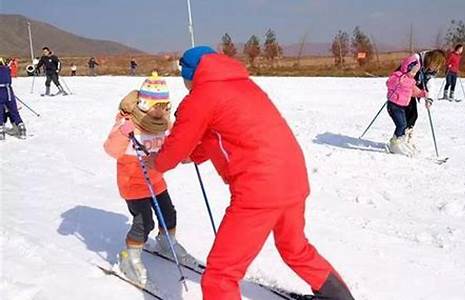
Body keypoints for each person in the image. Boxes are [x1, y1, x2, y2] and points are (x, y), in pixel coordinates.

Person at [146, 46, 355, 300]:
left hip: (258, 190)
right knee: (295, 248)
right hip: (293, 179)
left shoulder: (201, 97)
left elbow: (172, 153)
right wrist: (192, 155)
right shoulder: (244, 85)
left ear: (190, 75)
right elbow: (225, 136)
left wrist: (155, 162)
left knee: (221, 274)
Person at [103, 73, 199, 287]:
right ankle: (130, 259)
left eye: (165, 104)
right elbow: (111, 150)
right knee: (144, 222)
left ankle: (167, 243)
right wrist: (121, 131)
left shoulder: (164, 123)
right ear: (145, 104)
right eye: (157, 104)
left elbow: (174, 145)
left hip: (156, 180)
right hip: (133, 183)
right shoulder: (131, 124)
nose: (161, 110)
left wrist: (189, 153)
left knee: (169, 214)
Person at [401, 49, 445, 150]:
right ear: (431, 60)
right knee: (409, 115)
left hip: (413, 91)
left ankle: (406, 136)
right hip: (403, 90)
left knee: (412, 115)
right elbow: (404, 74)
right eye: (436, 64)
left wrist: (429, 99)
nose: (436, 68)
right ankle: (401, 138)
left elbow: (430, 84)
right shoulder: (415, 60)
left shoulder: (431, 69)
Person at [386, 54, 429, 156]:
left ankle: (398, 141)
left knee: (404, 125)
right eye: (413, 71)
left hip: (402, 106)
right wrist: (399, 80)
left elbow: (414, 92)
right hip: (393, 105)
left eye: (416, 72)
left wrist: (422, 93)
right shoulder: (397, 76)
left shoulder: (411, 81)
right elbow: (389, 83)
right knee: (401, 125)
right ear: (406, 68)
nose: (414, 74)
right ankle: (394, 143)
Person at [0, 57, 26, 140]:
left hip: (1, 92)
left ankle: (1, 131)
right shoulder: (7, 69)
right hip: (9, 92)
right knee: (14, 111)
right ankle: (21, 127)